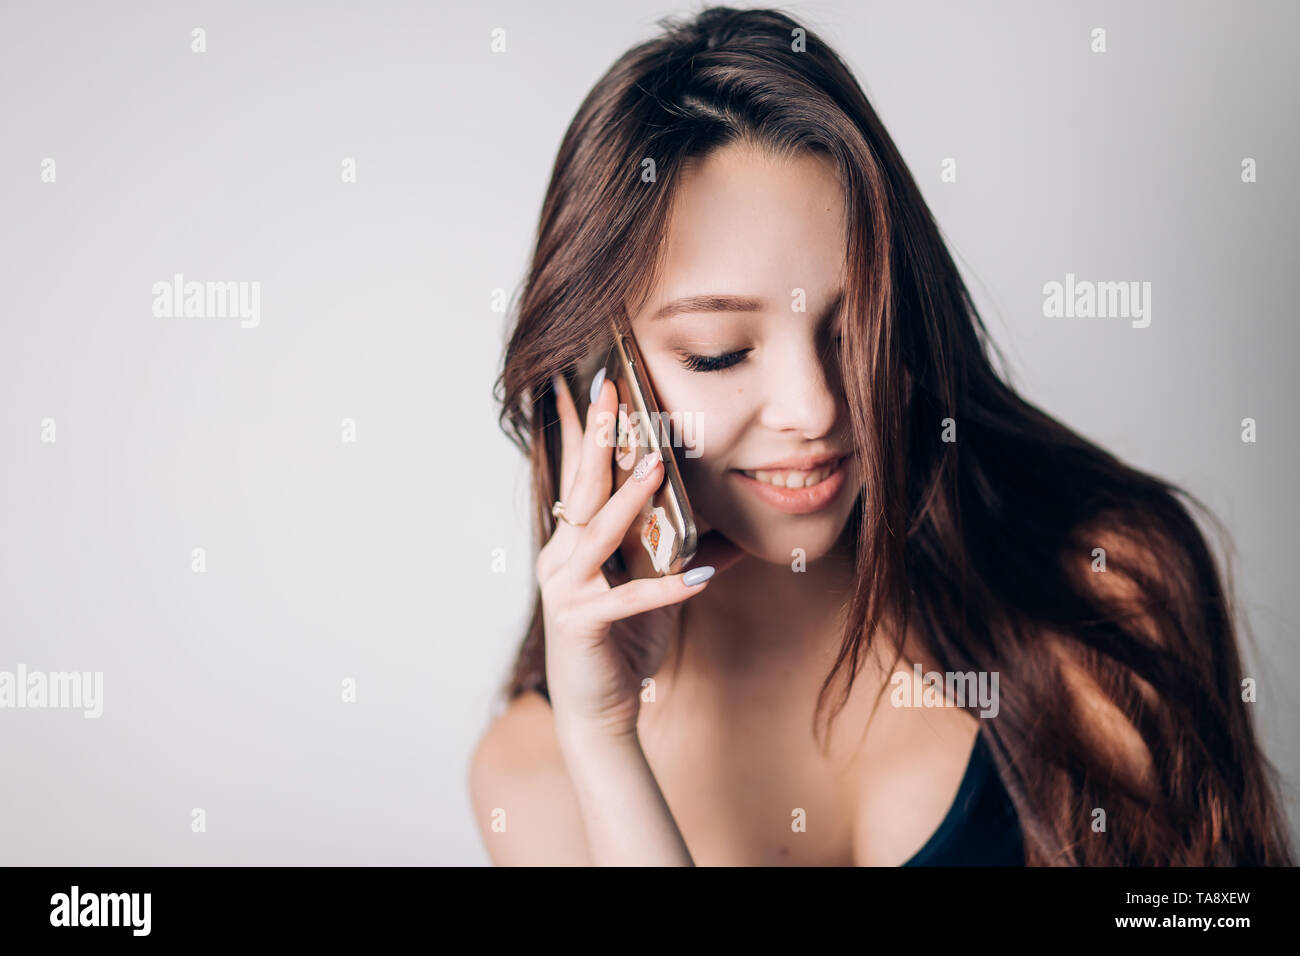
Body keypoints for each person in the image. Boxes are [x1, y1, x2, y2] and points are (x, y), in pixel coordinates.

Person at [470, 6, 1294, 866]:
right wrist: (606, 745)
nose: (817, 408)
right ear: (604, 386)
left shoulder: (1103, 598)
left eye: (857, 323)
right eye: (719, 355)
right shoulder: (531, 778)